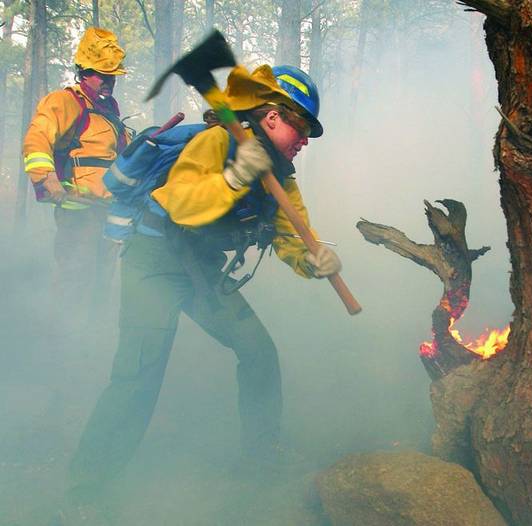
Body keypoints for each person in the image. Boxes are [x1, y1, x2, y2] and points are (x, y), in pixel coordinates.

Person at [62, 64, 340, 515]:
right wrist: (231, 179)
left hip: (201, 271)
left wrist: (315, 260)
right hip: (154, 262)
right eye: (302, 126)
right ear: (272, 117)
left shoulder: (280, 175)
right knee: (138, 377)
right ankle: (83, 495)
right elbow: (182, 204)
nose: (305, 138)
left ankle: (260, 457)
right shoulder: (217, 141)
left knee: (258, 352)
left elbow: (292, 235)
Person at [22, 28, 129, 329]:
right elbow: (36, 139)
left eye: (112, 75)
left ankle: (87, 344)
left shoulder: (108, 113)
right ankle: (56, 345)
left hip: (108, 213)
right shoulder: (66, 102)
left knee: (101, 285)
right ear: (83, 72)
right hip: (78, 213)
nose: (108, 81)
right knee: (75, 280)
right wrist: (47, 179)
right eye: (101, 75)